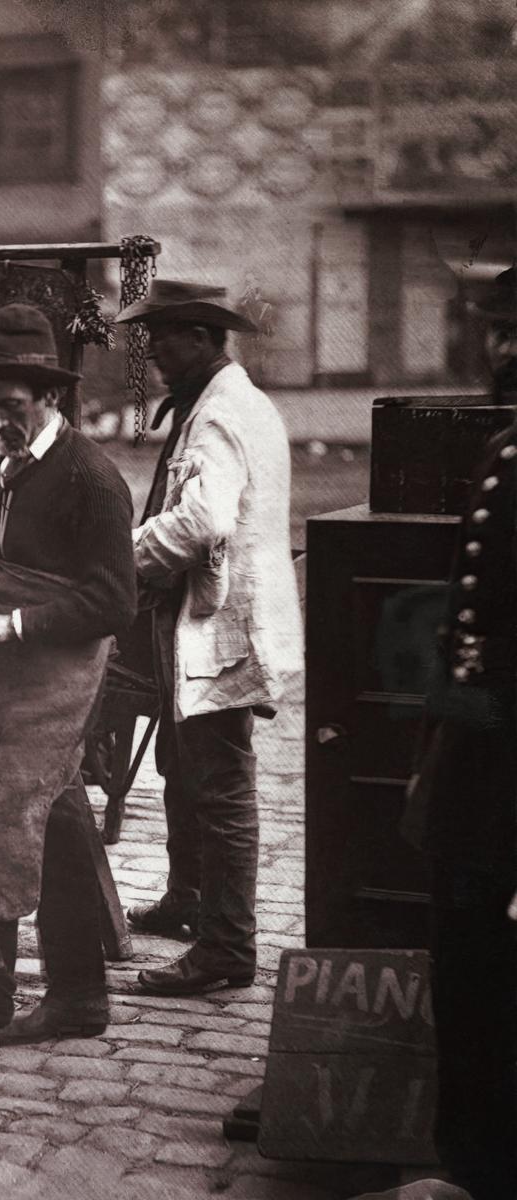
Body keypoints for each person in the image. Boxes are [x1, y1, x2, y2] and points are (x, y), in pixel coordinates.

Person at [0, 303, 137, 1046]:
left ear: (49, 396)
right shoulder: (3, 469)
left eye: (13, 409)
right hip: (11, 663)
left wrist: (7, 623)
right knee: (57, 815)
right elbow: (2, 559)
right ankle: (79, 996)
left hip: (61, 667)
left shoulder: (90, 477)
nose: (1, 424)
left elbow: (114, 599)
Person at [115, 278, 302, 996]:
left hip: (220, 628)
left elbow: (201, 523)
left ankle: (226, 948)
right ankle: (187, 900)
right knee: (180, 763)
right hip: (209, 621)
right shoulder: (219, 401)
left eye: (163, 338)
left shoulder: (222, 414)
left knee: (219, 784)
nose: (154, 352)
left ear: (199, 338)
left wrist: (121, 558)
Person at [403, 266, 517, 1200]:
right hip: (479, 766)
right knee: (468, 968)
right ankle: (474, 1164)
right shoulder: (506, 449)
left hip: (507, 777)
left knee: (486, 975)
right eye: (499, 333)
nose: (506, 352)